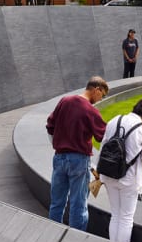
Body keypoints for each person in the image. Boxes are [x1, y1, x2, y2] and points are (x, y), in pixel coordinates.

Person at [46, 76, 108, 231]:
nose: (101, 99)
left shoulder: (64, 101)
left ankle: (53, 234)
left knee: (56, 203)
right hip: (79, 160)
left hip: (59, 157)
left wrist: (59, 143)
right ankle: (76, 240)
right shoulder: (90, 110)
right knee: (78, 204)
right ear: (97, 90)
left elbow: (50, 125)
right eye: (103, 95)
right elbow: (103, 136)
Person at [99, 98, 142, 242]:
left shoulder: (114, 120)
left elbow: (103, 147)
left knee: (116, 215)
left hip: (109, 174)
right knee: (126, 218)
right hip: (129, 179)